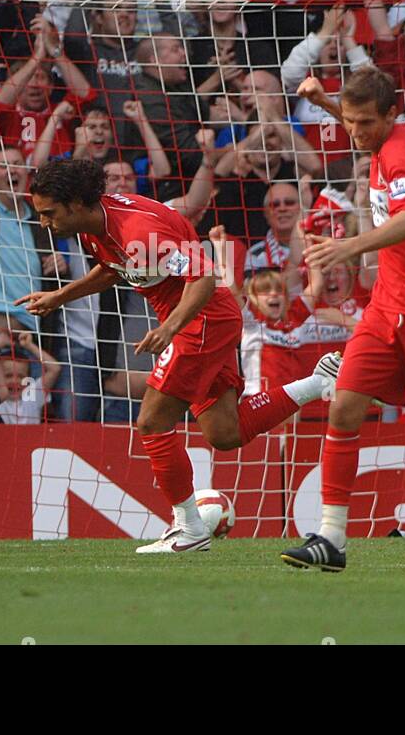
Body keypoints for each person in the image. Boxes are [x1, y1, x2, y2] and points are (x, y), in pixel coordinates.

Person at [18, 158, 341, 554]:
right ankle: (320, 382)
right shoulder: (95, 227)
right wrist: (59, 296)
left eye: (49, 213)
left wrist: (171, 328)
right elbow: (113, 269)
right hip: (207, 319)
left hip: (200, 318)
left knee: (152, 422)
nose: (44, 223)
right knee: (224, 433)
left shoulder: (138, 230)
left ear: (77, 202)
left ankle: (188, 528)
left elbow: (203, 277)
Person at [281, 67, 405, 574]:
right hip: (387, 306)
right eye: (348, 121)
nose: (355, 131)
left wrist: (349, 245)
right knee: (344, 406)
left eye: (364, 122)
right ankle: (331, 537)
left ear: (392, 115)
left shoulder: (404, 155)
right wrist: (327, 101)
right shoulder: (384, 136)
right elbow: (361, 126)